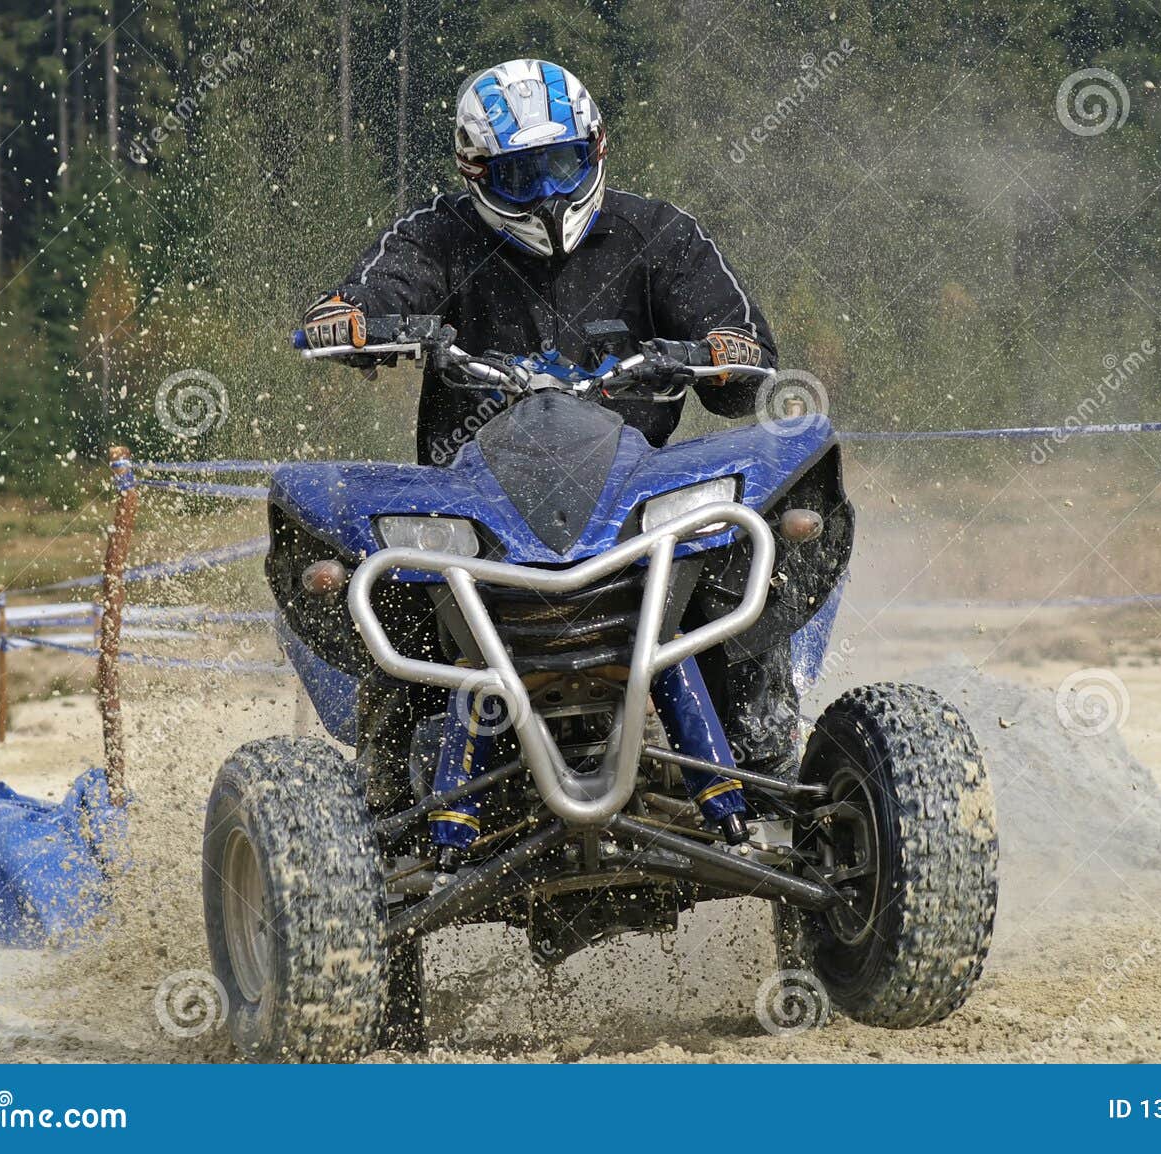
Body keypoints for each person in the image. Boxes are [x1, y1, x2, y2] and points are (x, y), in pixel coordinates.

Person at [303, 58, 800, 826]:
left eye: (561, 166)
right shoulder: (440, 237)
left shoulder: (656, 234)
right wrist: (351, 319)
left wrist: (725, 351)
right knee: (376, 580)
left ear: (594, 151)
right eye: (519, 177)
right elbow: (378, 293)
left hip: (635, 504)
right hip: (477, 516)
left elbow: (742, 358)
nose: (546, 195)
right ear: (476, 173)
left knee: (751, 539)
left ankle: (769, 770)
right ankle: (379, 812)